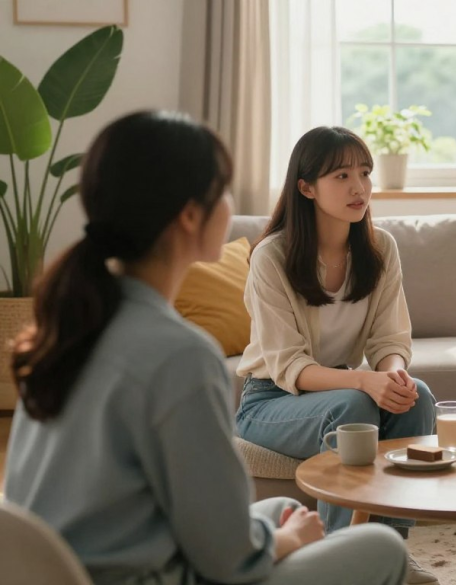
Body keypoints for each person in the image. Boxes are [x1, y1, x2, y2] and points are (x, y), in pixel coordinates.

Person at [3, 111, 407, 585]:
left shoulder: (70, 326)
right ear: (191, 214)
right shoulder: (181, 355)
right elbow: (229, 559)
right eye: (224, 191)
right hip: (154, 576)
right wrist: (289, 543)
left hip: (72, 568)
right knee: (377, 548)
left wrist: (278, 534)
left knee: (278, 510)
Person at [234, 126, 437, 585]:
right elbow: (289, 366)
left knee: (418, 396)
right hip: (269, 401)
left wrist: (394, 374)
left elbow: (389, 342)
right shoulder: (272, 257)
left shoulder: (381, 248)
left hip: (341, 391)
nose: (359, 187)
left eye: (364, 173)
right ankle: (341, 563)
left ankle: (393, 550)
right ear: (306, 188)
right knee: (354, 405)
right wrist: (365, 382)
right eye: (342, 175)